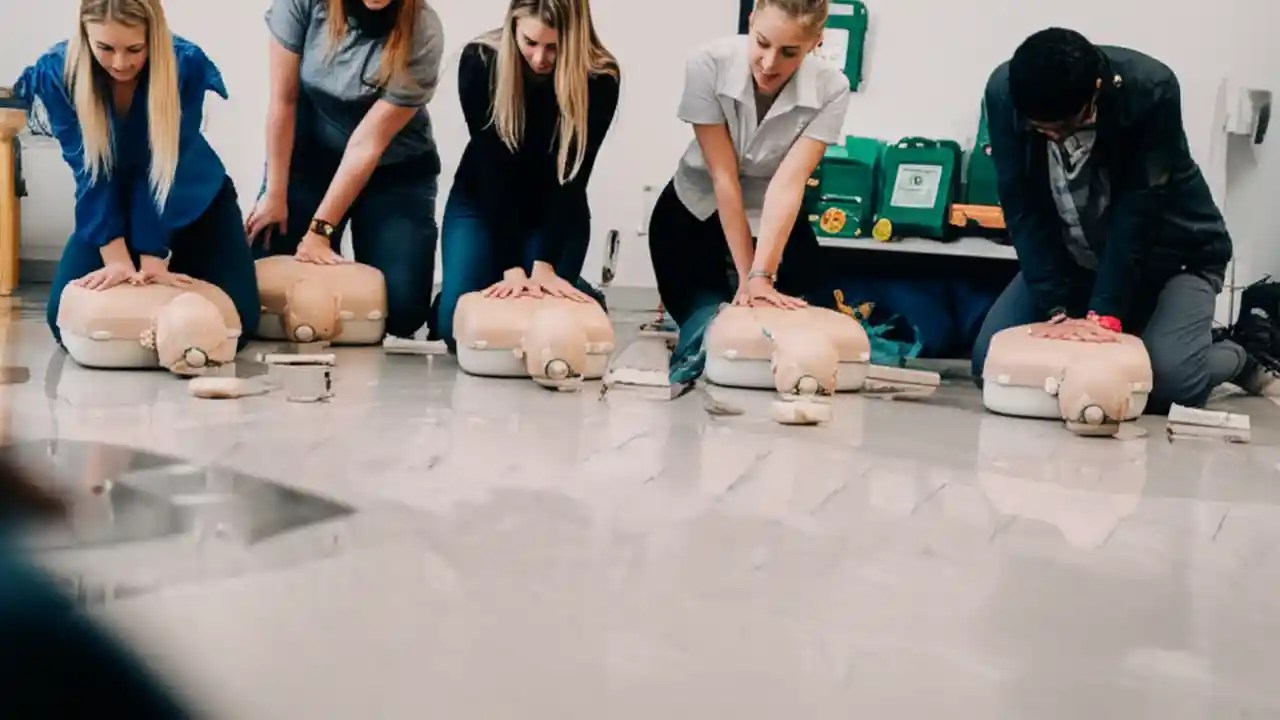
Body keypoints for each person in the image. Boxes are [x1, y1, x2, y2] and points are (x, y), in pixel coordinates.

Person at [972, 27, 1279, 413]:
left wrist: (1104, 313)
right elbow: (1021, 206)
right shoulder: (1004, 92)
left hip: (1175, 257)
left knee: (1168, 386)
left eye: (1064, 127)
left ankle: (1239, 353)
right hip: (1077, 259)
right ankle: (1142, 336)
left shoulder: (1151, 89)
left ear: (1096, 90)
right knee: (992, 363)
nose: (1053, 138)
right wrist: (1057, 310)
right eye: (1040, 130)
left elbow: (1139, 209)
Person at [14, 0, 259, 348]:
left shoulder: (184, 65)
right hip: (110, 206)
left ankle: (185, 260)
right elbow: (88, 170)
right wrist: (116, 259)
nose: (120, 62)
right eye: (105, 48)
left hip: (191, 199)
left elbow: (165, 167)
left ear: (153, 36)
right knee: (62, 320)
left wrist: (151, 256)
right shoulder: (57, 72)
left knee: (240, 321)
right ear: (85, 34)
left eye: (134, 49)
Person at [648, 0, 850, 382]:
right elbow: (724, 180)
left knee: (810, 328)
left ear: (815, 43)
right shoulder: (708, 62)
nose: (770, 63)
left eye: (790, 52)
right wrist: (747, 278)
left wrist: (762, 276)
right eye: (762, 43)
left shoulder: (832, 89)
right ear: (752, 17)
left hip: (773, 220)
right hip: (694, 212)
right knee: (715, 324)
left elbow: (787, 183)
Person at [248, 0, 444, 340]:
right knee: (262, 292)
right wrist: (275, 193)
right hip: (311, 160)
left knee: (401, 311)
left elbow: (366, 145)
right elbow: (284, 99)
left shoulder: (423, 30)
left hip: (393, 170)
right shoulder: (303, 4)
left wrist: (319, 233)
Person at [430, 0, 620, 349]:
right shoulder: (480, 61)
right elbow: (492, 173)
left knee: (539, 326)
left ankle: (577, 288)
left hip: (556, 207)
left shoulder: (600, 78)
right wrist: (512, 268)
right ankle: (468, 286)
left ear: (574, 40)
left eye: (554, 48)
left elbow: (574, 176)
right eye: (530, 43)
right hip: (483, 201)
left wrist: (543, 264)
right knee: (455, 332)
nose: (539, 59)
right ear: (512, 27)